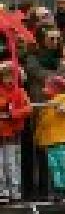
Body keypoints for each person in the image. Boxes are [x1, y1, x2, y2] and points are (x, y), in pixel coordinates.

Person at [34, 75, 65, 202]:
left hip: (61, 138)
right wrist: (38, 137)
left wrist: (62, 107)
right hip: (49, 140)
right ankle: (60, 189)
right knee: (55, 166)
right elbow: (42, 124)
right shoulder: (47, 104)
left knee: (62, 164)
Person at [0, 61, 33, 203]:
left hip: (13, 132)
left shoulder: (20, 91)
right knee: (0, 163)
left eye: (11, 76)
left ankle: (15, 190)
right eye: (6, 76)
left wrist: (14, 113)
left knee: (12, 162)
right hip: (1, 131)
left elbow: (28, 108)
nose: (9, 79)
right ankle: (3, 191)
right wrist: (6, 104)